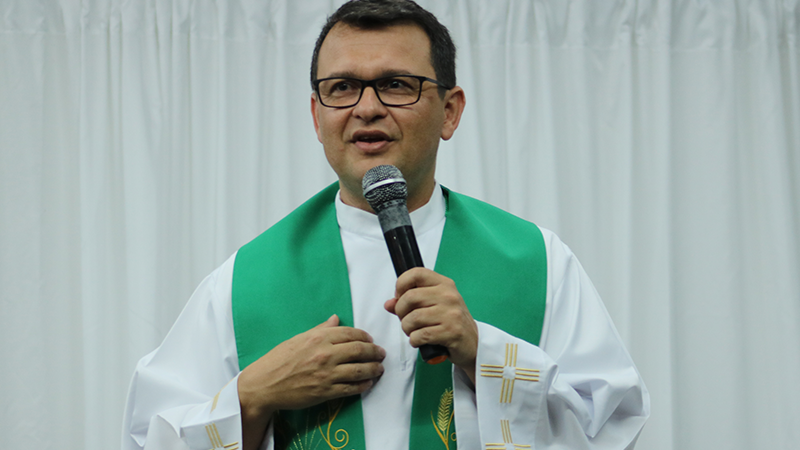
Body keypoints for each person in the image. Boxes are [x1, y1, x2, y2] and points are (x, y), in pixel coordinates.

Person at [122, 1, 650, 449]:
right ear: (317, 116)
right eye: (342, 87)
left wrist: (483, 353)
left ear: (450, 111)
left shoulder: (538, 262)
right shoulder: (244, 280)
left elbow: (610, 427)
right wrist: (253, 396)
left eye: (397, 85)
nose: (367, 108)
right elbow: (152, 436)